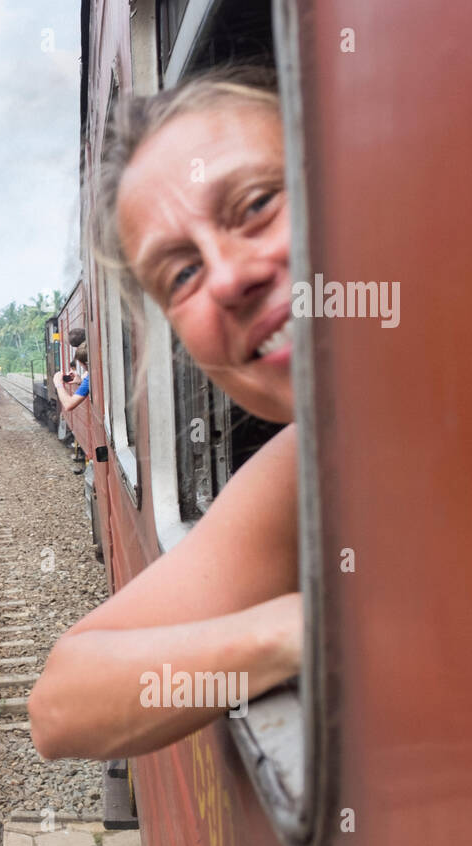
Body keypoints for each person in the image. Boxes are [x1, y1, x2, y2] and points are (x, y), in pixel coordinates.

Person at [30, 65, 301, 761]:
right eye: (181, 274)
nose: (230, 275)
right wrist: (306, 629)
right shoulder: (314, 464)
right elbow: (60, 707)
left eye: (257, 204)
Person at [53, 347, 90, 413]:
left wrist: (58, 384)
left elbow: (68, 405)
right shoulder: (89, 377)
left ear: (85, 364)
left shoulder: (88, 378)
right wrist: (80, 381)